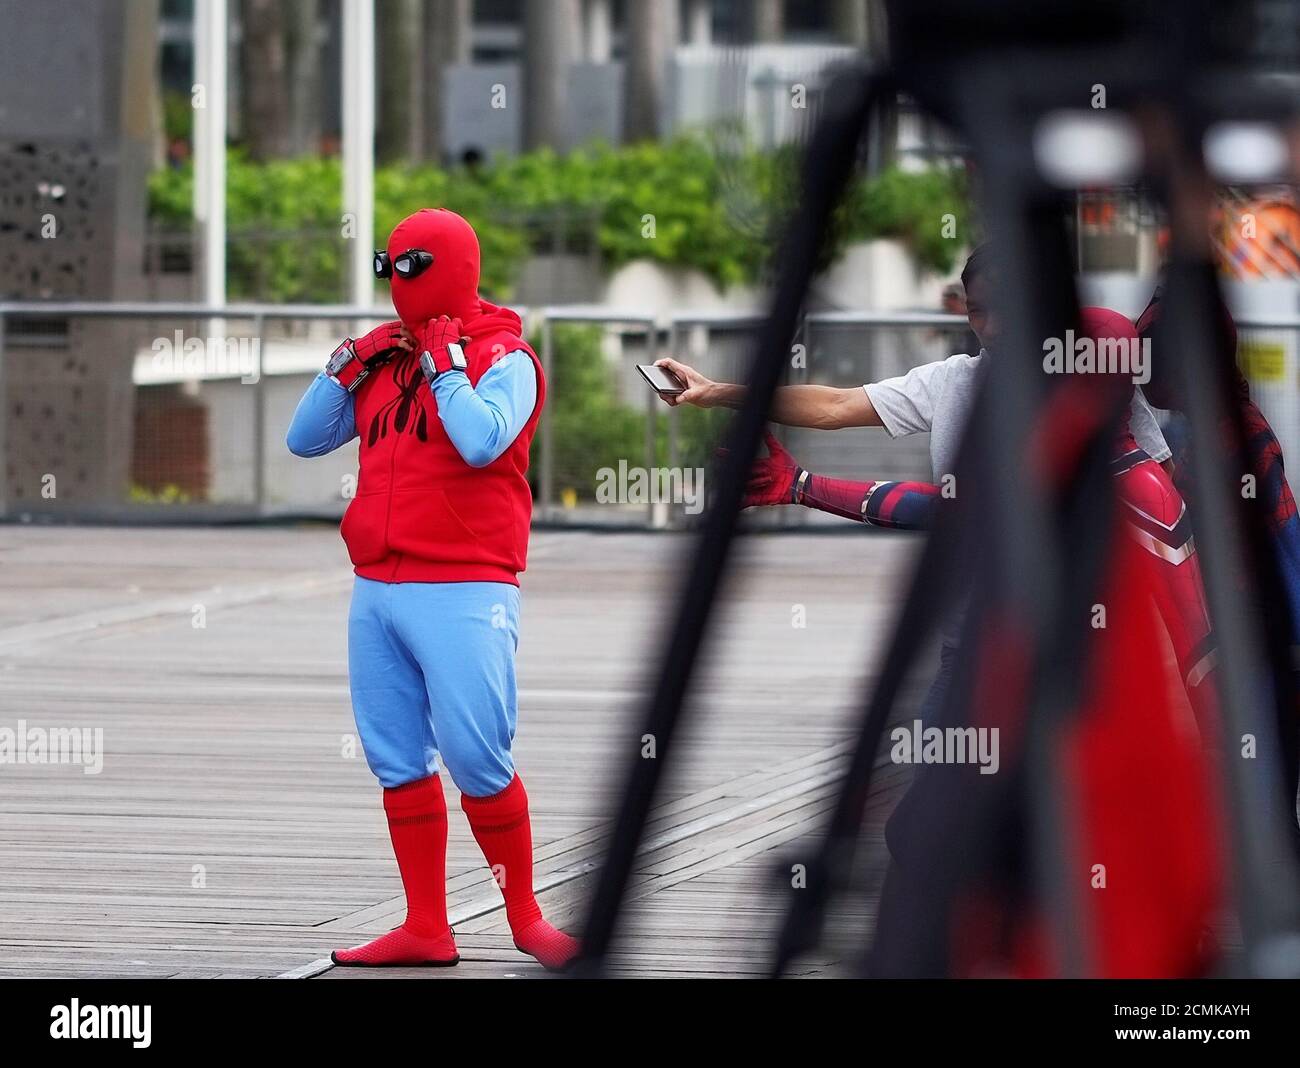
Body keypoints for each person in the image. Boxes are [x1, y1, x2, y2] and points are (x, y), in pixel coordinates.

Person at [286, 207, 578, 971]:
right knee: (397, 760)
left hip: (464, 586)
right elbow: (304, 437)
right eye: (390, 267)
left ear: (451, 267)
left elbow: (484, 441)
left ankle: (525, 918)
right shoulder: (387, 362)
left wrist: (447, 366)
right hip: (377, 586)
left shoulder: (506, 357)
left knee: (478, 758)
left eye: (410, 266)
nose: (396, 284)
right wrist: (347, 362)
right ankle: (425, 926)